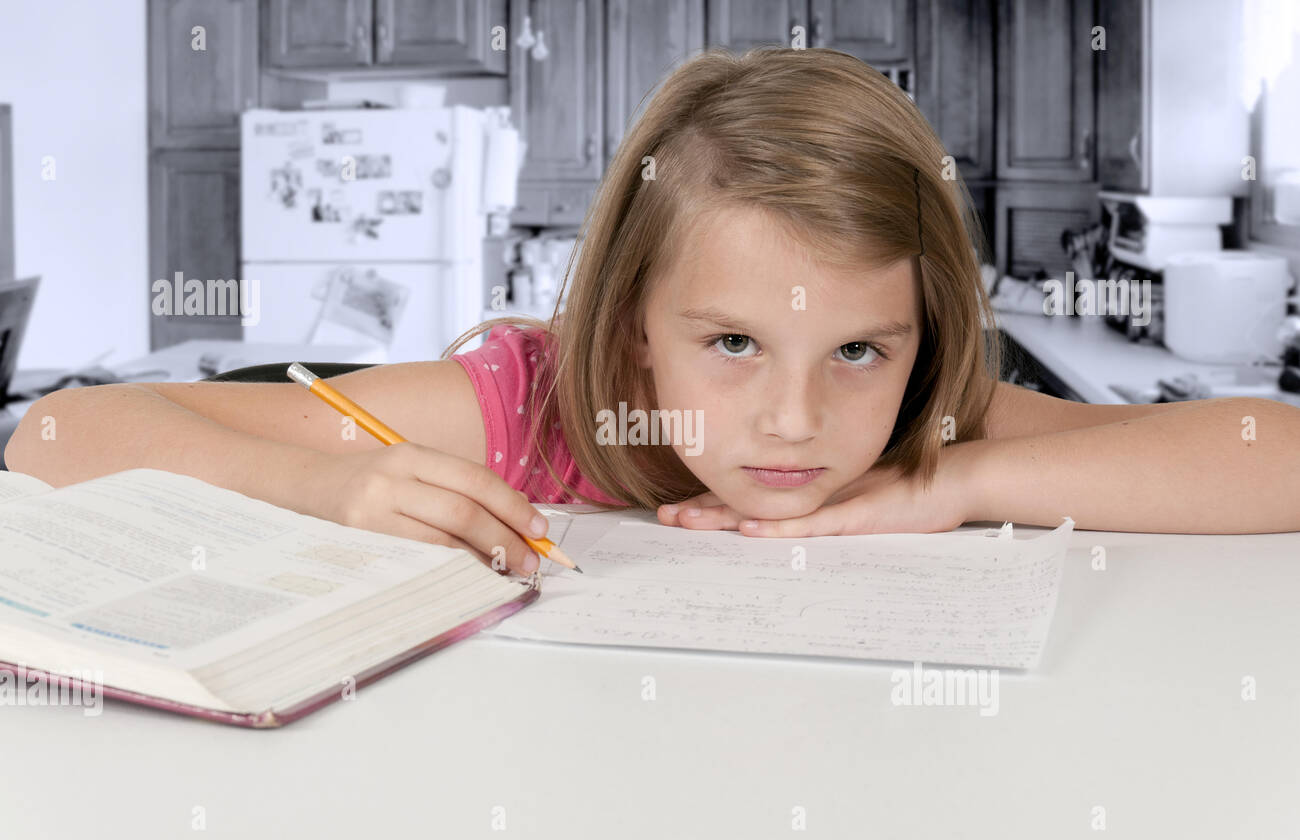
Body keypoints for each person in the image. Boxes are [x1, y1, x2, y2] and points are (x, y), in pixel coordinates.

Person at [8, 48, 1300, 579]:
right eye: (731, 341)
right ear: (632, 325)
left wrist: (944, 488)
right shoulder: (526, 412)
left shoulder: (921, 430)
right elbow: (55, 439)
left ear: (918, 346)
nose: (796, 420)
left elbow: (1276, 456)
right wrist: (333, 490)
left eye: (857, 348)